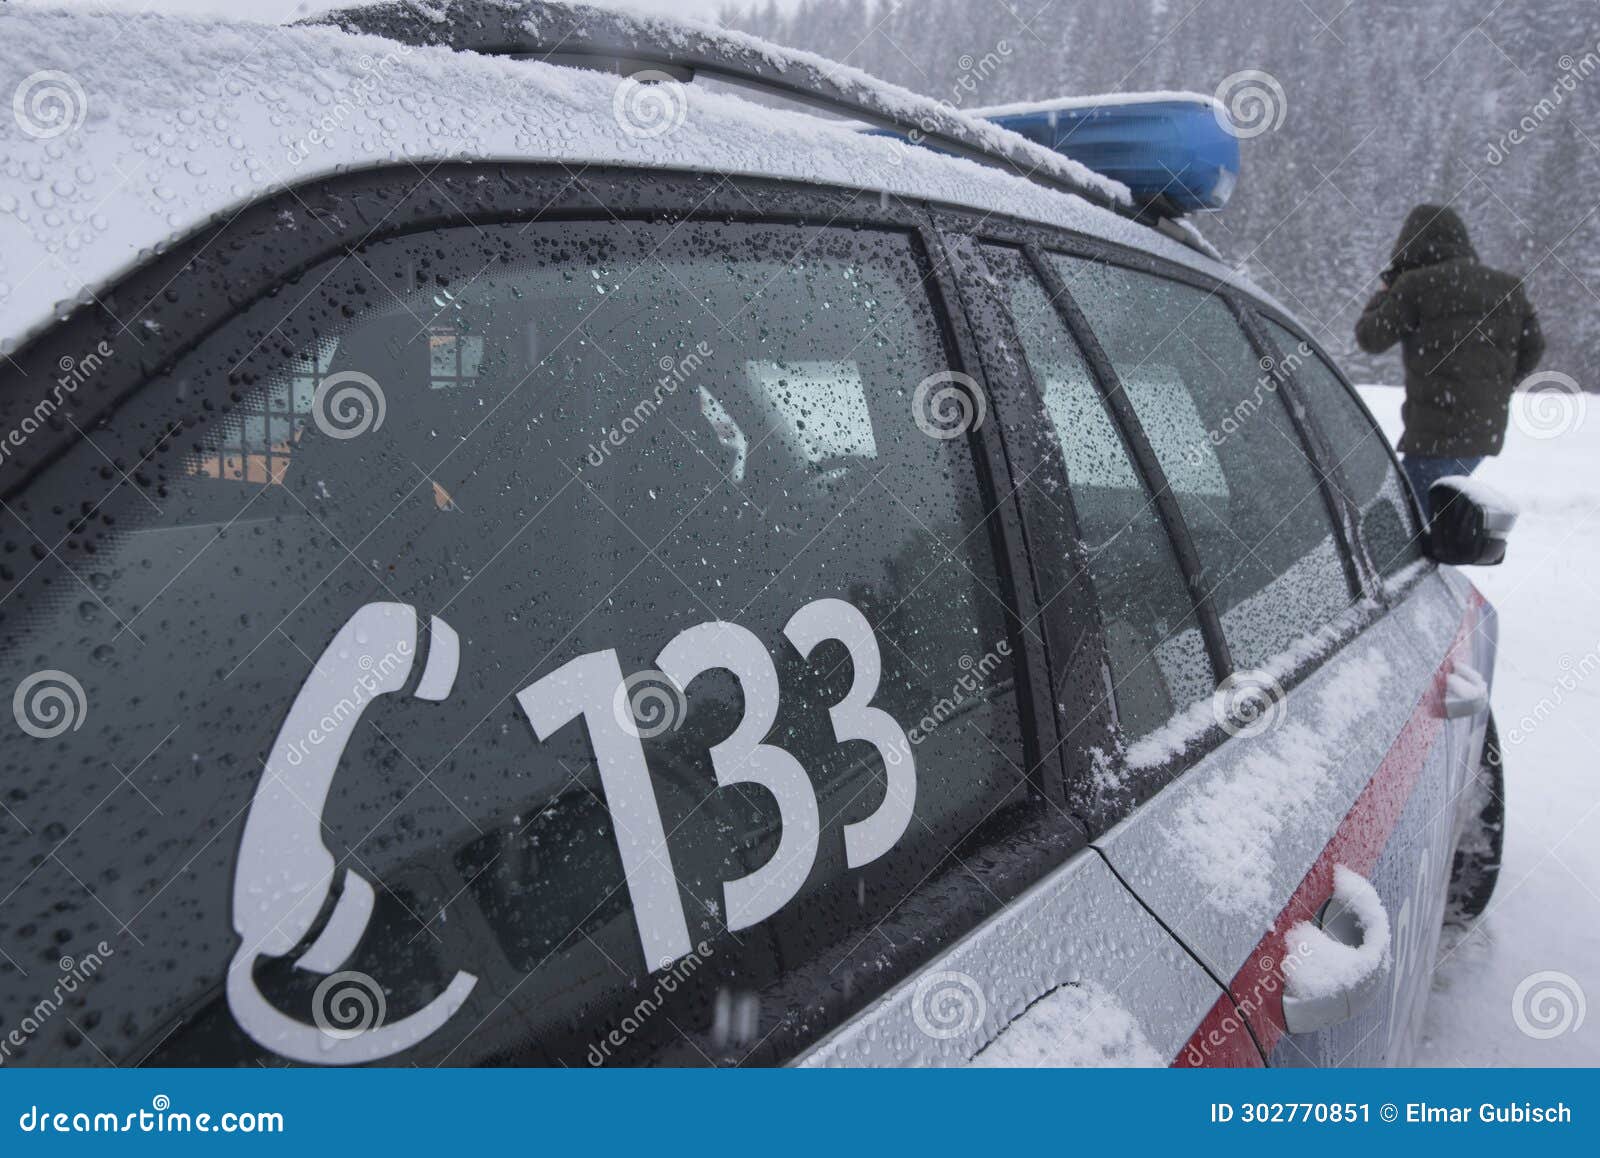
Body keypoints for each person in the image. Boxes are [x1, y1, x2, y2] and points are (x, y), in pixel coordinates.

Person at [1355, 204, 1543, 517]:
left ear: (1409, 245)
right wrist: (1498, 387)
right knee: (1425, 514)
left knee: (1404, 522)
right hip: (1483, 431)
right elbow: (1533, 348)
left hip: (1433, 435)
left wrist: (1386, 289)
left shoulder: (1415, 285)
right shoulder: (1508, 288)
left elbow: (1370, 337)